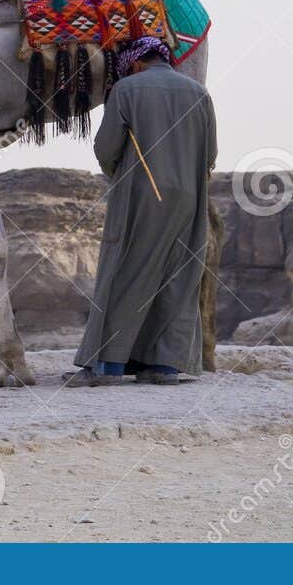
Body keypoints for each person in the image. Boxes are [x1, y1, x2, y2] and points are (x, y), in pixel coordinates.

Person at [65, 35, 217, 387]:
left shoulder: (127, 90)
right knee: (177, 275)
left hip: (141, 191)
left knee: (127, 270)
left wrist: (117, 173)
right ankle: (164, 366)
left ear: (133, 62)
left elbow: (107, 148)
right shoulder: (199, 93)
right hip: (190, 196)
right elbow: (210, 155)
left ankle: (108, 364)